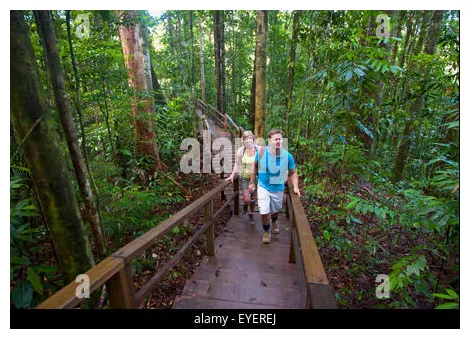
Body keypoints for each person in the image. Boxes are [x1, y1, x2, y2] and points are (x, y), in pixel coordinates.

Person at [249, 129, 300, 244]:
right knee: (264, 211)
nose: (277, 141)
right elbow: (254, 166)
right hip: (263, 186)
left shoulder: (288, 156)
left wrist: (295, 187)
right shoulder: (261, 152)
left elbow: (293, 173)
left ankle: (275, 221)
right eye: (275, 139)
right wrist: (252, 182)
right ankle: (267, 231)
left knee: (275, 210)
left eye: (279, 139)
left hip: (278, 188)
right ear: (269, 141)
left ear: (282, 140)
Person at [226, 130, 260, 222]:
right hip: (244, 177)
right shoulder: (241, 150)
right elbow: (237, 164)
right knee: (247, 199)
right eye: (246, 138)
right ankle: (245, 205)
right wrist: (232, 174)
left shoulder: (259, 149)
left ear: (253, 139)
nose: (248, 140)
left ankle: (251, 213)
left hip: (257, 178)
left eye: (250, 138)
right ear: (244, 141)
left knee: (253, 198)